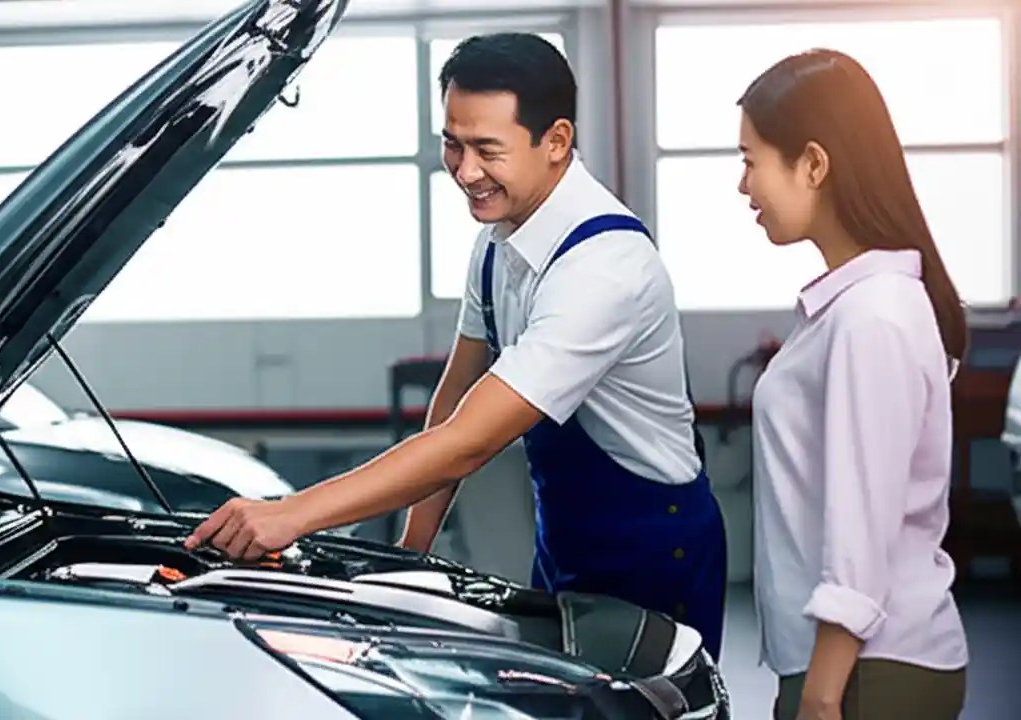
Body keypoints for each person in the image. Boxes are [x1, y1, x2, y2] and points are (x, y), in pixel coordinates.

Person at [185, 31, 728, 659]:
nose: (465, 171)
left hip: (655, 550)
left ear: (556, 141)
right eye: (452, 143)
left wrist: (290, 514)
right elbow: (450, 408)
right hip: (566, 542)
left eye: (486, 149)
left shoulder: (605, 268)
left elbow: (467, 442)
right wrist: (407, 555)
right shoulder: (498, 244)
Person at [737, 49, 969, 720]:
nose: (742, 184)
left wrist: (821, 695)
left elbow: (860, 527)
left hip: (867, 670)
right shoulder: (855, 307)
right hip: (851, 665)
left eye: (751, 160)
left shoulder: (874, 316)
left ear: (813, 163)